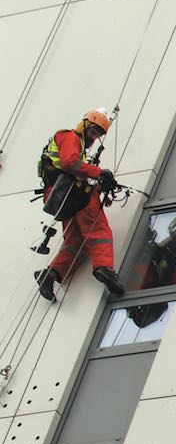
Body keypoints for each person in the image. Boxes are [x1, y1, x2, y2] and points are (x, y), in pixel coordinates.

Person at [34, 108, 124, 301]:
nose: (94, 137)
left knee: (76, 241)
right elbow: (70, 164)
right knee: (99, 230)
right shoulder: (70, 137)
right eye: (93, 132)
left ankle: (50, 275)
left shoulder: (75, 145)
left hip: (63, 196)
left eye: (98, 135)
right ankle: (104, 268)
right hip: (73, 193)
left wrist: (98, 186)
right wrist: (99, 173)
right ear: (84, 125)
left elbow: (74, 167)